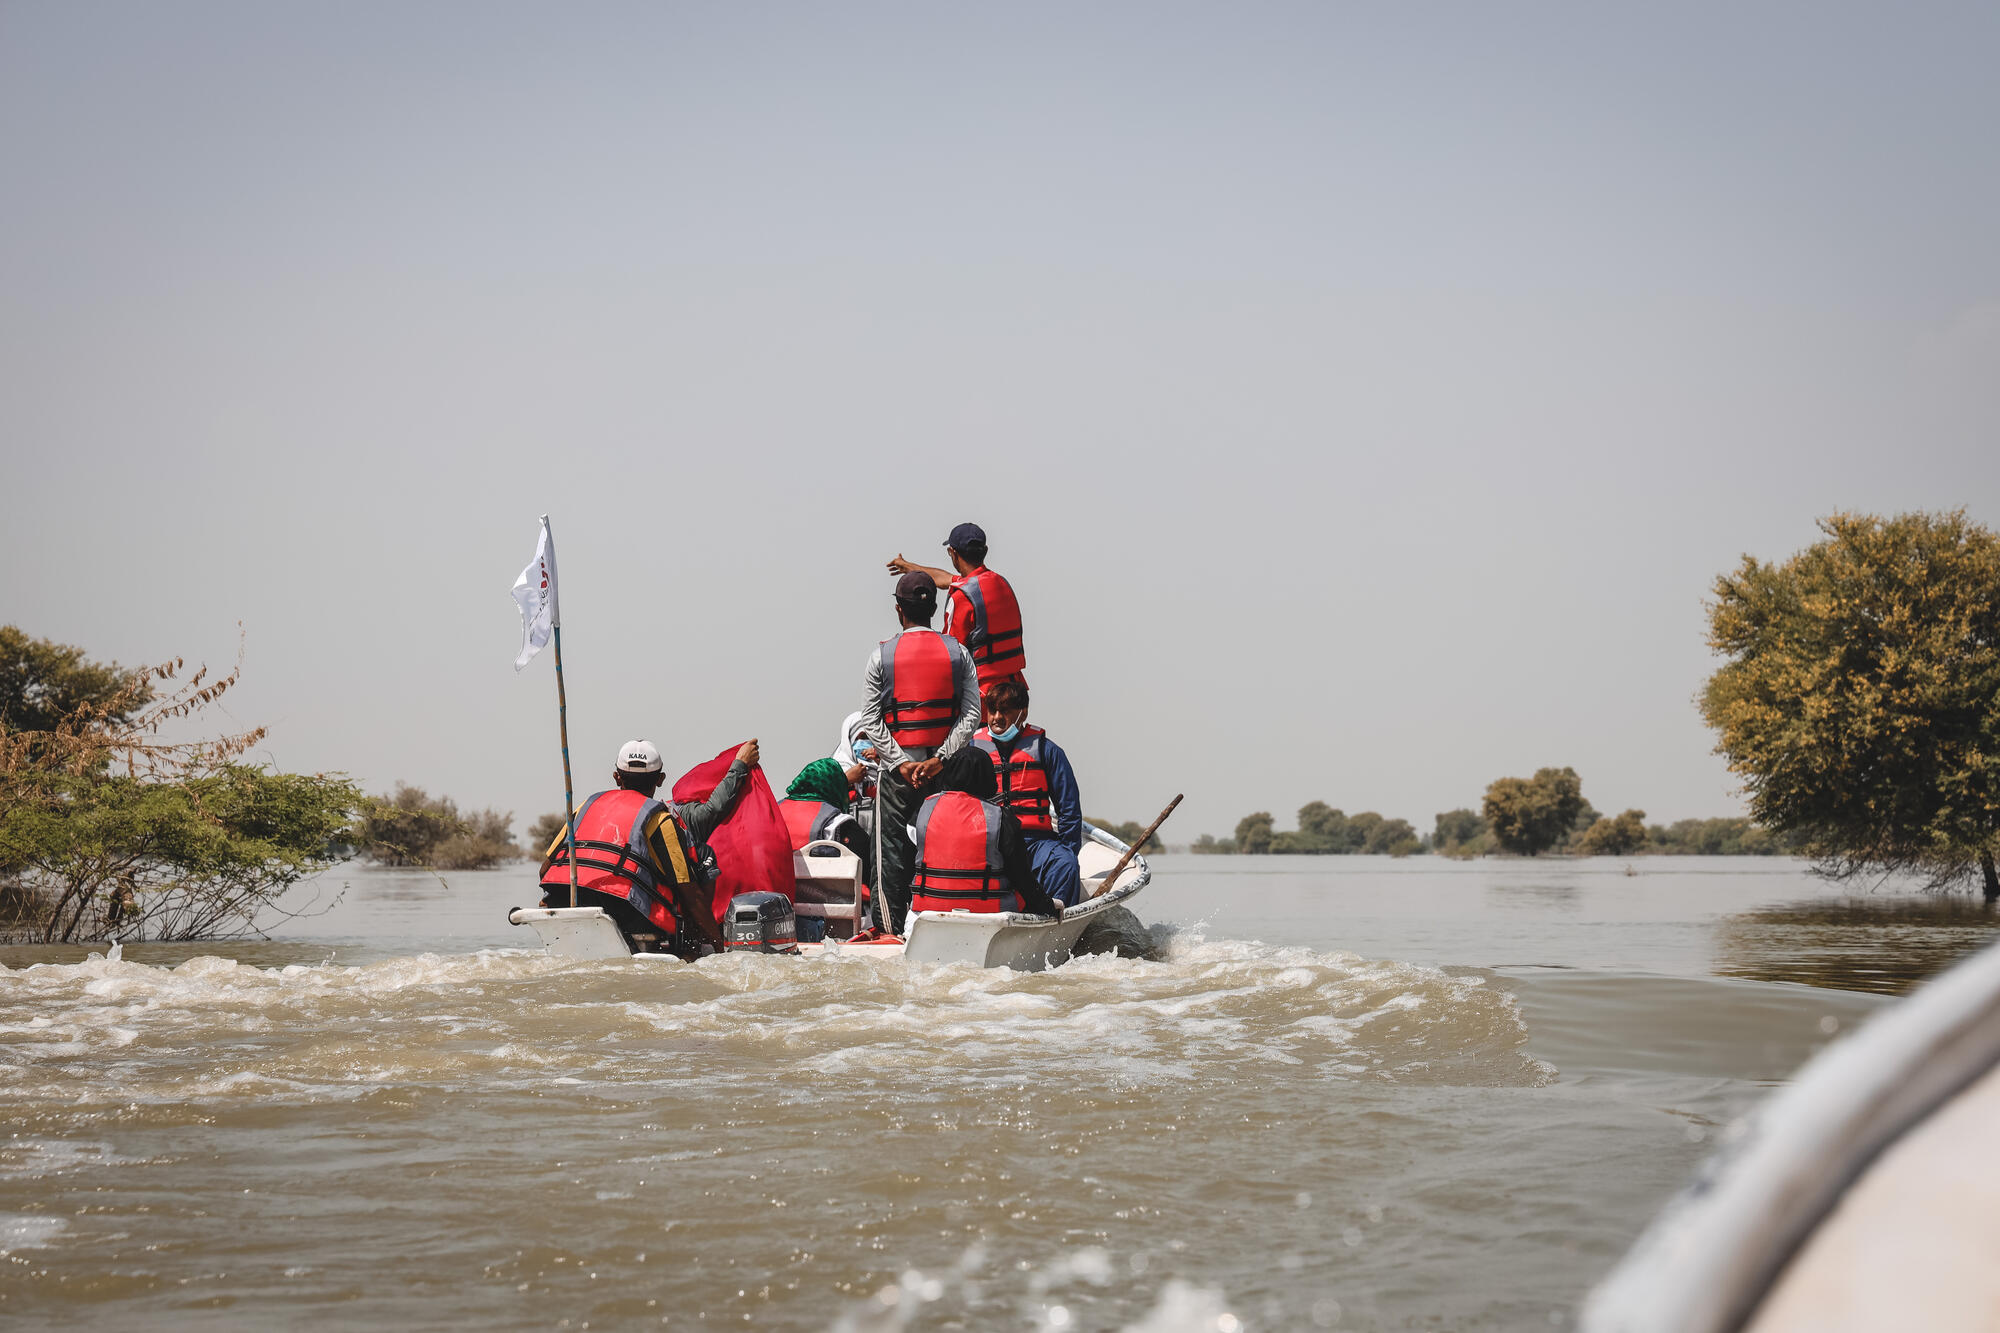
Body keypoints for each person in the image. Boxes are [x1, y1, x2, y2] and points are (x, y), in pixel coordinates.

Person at [538, 737, 760, 958]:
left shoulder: (585, 807)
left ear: (616, 777)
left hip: (566, 903)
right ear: (661, 779)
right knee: (702, 861)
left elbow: (544, 870)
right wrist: (718, 947)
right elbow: (689, 892)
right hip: (627, 913)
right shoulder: (659, 819)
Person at [857, 571, 983, 933]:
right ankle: (954, 926)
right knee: (950, 846)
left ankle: (890, 932)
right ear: (933, 608)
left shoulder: (881, 655)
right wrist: (940, 758)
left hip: (898, 775)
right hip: (946, 772)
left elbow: (870, 717)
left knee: (890, 858)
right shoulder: (958, 652)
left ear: (900, 610)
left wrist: (899, 763)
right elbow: (972, 714)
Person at [970, 677, 1086, 907]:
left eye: (1005, 711)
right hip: (989, 842)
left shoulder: (1048, 751)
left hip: (1035, 842)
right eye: (992, 711)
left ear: (1022, 712)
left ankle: (1053, 920)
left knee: (1065, 864)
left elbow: (1069, 810)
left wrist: (1069, 851)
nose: (996, 718)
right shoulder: (973, 750)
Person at [909, 748, 1060, 917]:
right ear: (987, 777)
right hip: (988, 911)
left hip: (926, 910)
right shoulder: (1001, 818)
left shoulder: (923, 811)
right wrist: (1047, 907)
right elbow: (1022, 877)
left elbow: (910, 861)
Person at [886, 522, 1026, 693]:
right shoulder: (1000, 583)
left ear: (952, 553)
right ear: (985, 551)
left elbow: (952, 655)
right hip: (1015, 691)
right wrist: (909, 567)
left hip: (985, 695)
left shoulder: (962, 597)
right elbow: (945, 579)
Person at [777, 757, 874, 873]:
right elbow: (867, 865)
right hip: (820, 889)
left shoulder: (774, 809)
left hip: (774, 885)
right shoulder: (836, 821)